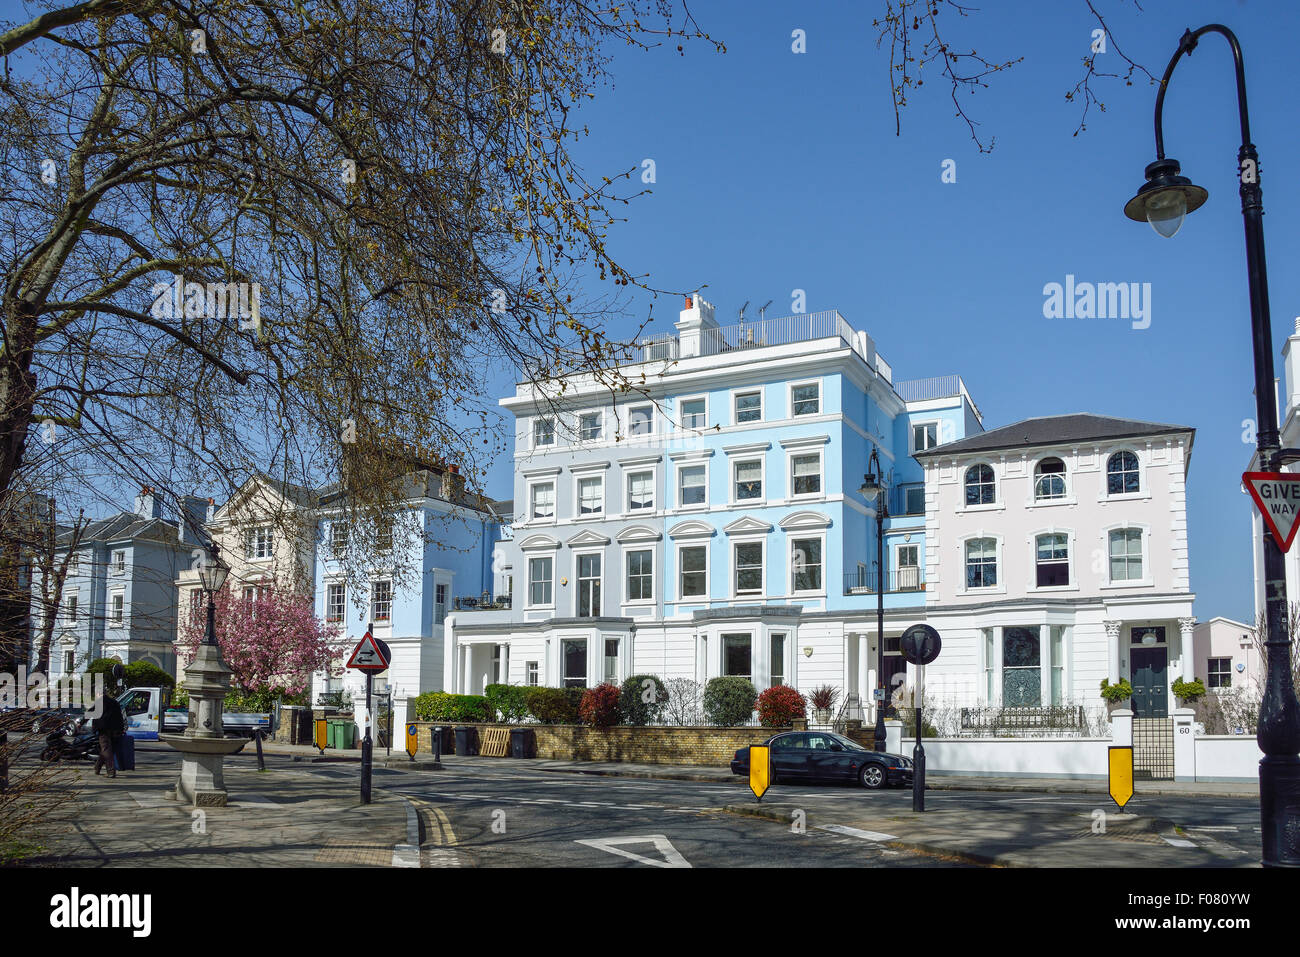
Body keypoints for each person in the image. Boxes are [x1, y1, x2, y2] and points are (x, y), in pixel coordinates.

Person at [91, 689, 124, 778]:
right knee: (107, 749)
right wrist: (122, 729)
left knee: (106, 749)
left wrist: (80, 723)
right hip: (116, 729)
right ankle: (97, 767)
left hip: (103, 729)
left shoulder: (99, 702)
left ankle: (111, 771)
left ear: (98, 694)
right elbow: (120, 716)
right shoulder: (114, 702)